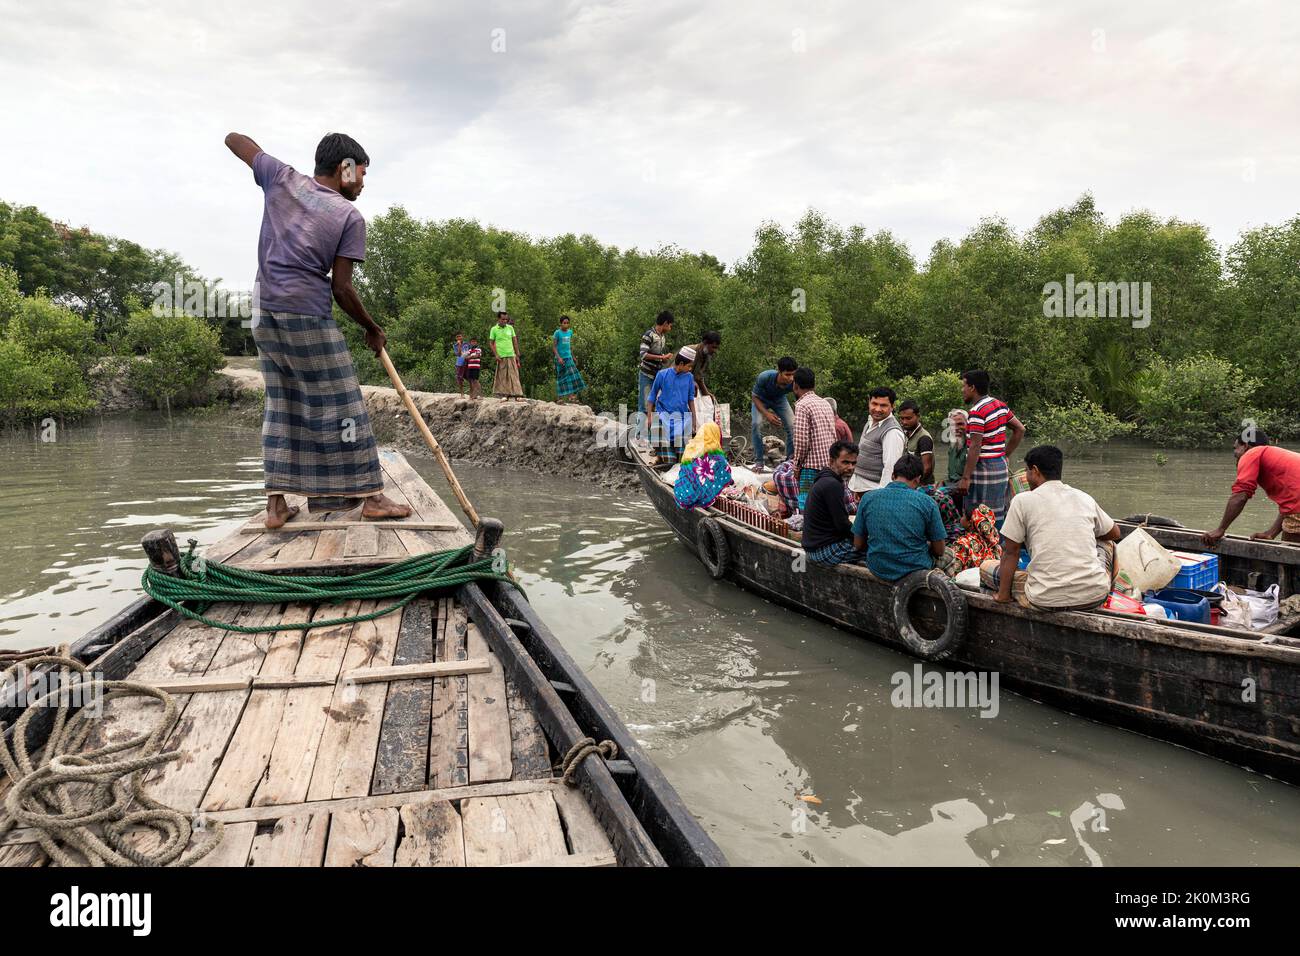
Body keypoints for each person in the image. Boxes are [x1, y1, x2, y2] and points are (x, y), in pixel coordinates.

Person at [224, 130, 411, 529]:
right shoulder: (349, 216)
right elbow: (341, 288)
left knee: (282, 403)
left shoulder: (281, 178)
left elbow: (233, 139)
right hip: (306, 314)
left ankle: (276, 506)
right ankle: (372, 497)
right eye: (361, 172)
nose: (362, 181)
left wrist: (265, 160)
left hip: (264, 313)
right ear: (344, 169)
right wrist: (372, 328)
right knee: (345, 406)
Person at [982, 445, 1120, 610]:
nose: (1026, 475)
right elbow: (1115, 533)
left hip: (1044, 599)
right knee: (1108, 543)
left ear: (1035, 471)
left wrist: (1003, 596)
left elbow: (1011, 552)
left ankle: (1005, 595)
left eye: (1026, 471)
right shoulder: (1084, 497)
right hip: (1095, 595)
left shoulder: (1021, 501)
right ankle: (1107, 595)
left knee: (985, 567)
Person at [851, 453, 948, 582]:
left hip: (878, 567)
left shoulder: (868, 498)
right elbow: (940, 550)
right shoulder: (927, 502)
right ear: (918, 479)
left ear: (892, 475)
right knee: (950, 556)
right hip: (915, 570)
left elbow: (857, 544)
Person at [1203, 430, 1300, 545]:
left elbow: (1240, 496)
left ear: (1245, 446)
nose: (1234, 453)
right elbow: (1289, 505)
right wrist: (1271, 534)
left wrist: (1220, 529)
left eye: (1235, 448)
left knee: (1288, 557)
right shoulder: (1276, 456)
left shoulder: (1251, 453)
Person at [954, 370, 1024, 521]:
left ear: (972, 388)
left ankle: (983, 544)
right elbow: (1020, 429)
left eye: (964, 386)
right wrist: (1004, 455)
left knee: (979, 517)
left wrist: (965, 478)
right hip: (1000, 467)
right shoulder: (1000, 405)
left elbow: (975, 446)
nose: (962, 390)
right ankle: (997, 543)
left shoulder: (977, 411)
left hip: (983, 468)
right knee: (997, 514)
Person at [802, 441, 866, 566]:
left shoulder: (827, 479)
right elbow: (842, 524)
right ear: (832, 462)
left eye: (853, 463)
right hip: (822, 551)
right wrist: (862, 540)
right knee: (876, 553)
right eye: (845, 462)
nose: (851, 467)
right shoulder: (832, 485)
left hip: (815, 546)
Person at [790, 367, 837, 510]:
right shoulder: (825, 403)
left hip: (811, 466)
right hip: (829, 464)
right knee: (825, 503)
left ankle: (808, 531)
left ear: (795, 385)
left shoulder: (802, 405)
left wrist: (797, 466)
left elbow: (801, 441)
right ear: (814, 385)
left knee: (807, 504)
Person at [849, 386, 905, 495]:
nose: (878, 409)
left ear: (892, 406)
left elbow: (890, 469)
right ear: (869, 402)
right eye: (874, 404)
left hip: (874, 491)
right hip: (859, 488)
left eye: (883, 405)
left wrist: (881, 497)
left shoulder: (892, 431)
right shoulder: (870, 421)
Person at [647, 348, 698, 464]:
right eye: (689, 366)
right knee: (670, 461)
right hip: (662, 416)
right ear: (681, 364)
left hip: (682, 419)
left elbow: (691, 400)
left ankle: (666, 455)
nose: (690, 369)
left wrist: (694, 419)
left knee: (683, 460)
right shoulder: (662, 375)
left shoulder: (689, 377)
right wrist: (649, 417)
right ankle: (660, 455)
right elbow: (652, 396)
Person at [750, 357, 798, 471]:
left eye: (793, 374)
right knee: (756, 424)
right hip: (761, 400)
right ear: (779, 371)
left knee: (793, 426)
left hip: (779, 400)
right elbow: (754, 397)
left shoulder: (794, 381)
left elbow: (799, 395)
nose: (791, 378)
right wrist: (767, 414)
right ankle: (759, 461)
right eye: (787, 374)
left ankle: (789, 461)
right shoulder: (765, 377)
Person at [674, 422, 732, 510]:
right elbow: (726, 472)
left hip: (680, 493)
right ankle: (704, 498)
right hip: (697, 499)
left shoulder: (690, 447)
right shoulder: (715, 454)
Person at [943, 504, 1002, 575]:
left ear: (969, 523)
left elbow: (953, 572)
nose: (961, 518)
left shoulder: (963, 544)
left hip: (966, 584)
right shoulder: (994, 544)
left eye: (963, 515)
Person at [638, 311, 675, 412]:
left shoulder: (662, 337)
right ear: (665, 323)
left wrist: (663, 359)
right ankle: (641, 427)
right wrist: (662, 358)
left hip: (657, 375)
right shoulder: (649, 335)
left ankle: (650, 427)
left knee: (654, 404)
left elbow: (657, 356)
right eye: (670, 326)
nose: (670, 329)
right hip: (647, 374)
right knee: (644, 405)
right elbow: (643, 355)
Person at [898, 399, 935, 484]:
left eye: (908, 418)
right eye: (902, 418)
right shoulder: (905, 434)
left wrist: (914, 484)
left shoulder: (924, 438)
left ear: (918, 416)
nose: (904, 422)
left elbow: (927, 468)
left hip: (921, 486)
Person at [489, 310, 524, 401]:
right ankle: (505, 394)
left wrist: (517, 352)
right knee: (503, 376)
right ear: (499, 319)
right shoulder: (494, 329)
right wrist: (496, 354)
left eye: (506, 319)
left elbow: (514, 341)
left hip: (511, 354)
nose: (505, 321)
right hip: (501, 355)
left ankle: (517, 394)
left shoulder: (510, 328)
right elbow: (491, 343)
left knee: (514, 375)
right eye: (503, 319)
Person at [552, 315, 587, 403]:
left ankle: (571, 397)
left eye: (567, 323)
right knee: (561, 377)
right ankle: (559, 398)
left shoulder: (570, 332)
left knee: (573, 376)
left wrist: (573, 356)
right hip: (560, 359)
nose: (566, 325)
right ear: (561, 323)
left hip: (568, 358)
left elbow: (569, 346)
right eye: (564, 323)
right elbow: (554, 347)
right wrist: (559, 358)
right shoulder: (557, 333)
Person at [942, 408, 969, 511]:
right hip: (952, 489)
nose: (956, 428)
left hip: (965, 492)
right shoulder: (953, 445)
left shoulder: (972, 446)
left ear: (968, 424)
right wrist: (943, 483)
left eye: (960, 424)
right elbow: (952, 475)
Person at [687, 330, 722, 399]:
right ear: (705, 343)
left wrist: (707, 394)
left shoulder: (706, 355)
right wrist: (691, 382)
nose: (714, 351)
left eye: (716, 348)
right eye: (713, 347)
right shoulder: (690, 351)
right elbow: (676, 371)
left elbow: (699, 378)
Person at [464, 335, 482, 400]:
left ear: (476, 342)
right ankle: (474, 394)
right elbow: (465, 357)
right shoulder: (469, 350)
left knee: (476, 380)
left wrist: (470, 356)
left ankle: (480, 395)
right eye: (472, 342)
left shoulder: (478, 349)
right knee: (471, 380)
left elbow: (477, 356)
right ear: (470, 343)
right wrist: (470, 356)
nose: (473, 343)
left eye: (474, 342)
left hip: (476, 367)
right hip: (470, 367)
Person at [452, 332, 469, 396]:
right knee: (460, 378)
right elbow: (458, 354)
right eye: (457, 337)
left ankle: (472, 393)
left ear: (462, 337)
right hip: (460, 363)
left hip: (467, 362)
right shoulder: (455, 345)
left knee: (469, 377)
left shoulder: (467, 344)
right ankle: (462, 393)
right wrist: (459, 345)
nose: (459, 338)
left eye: (460, 336)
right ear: (456, 338)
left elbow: (470, 351)